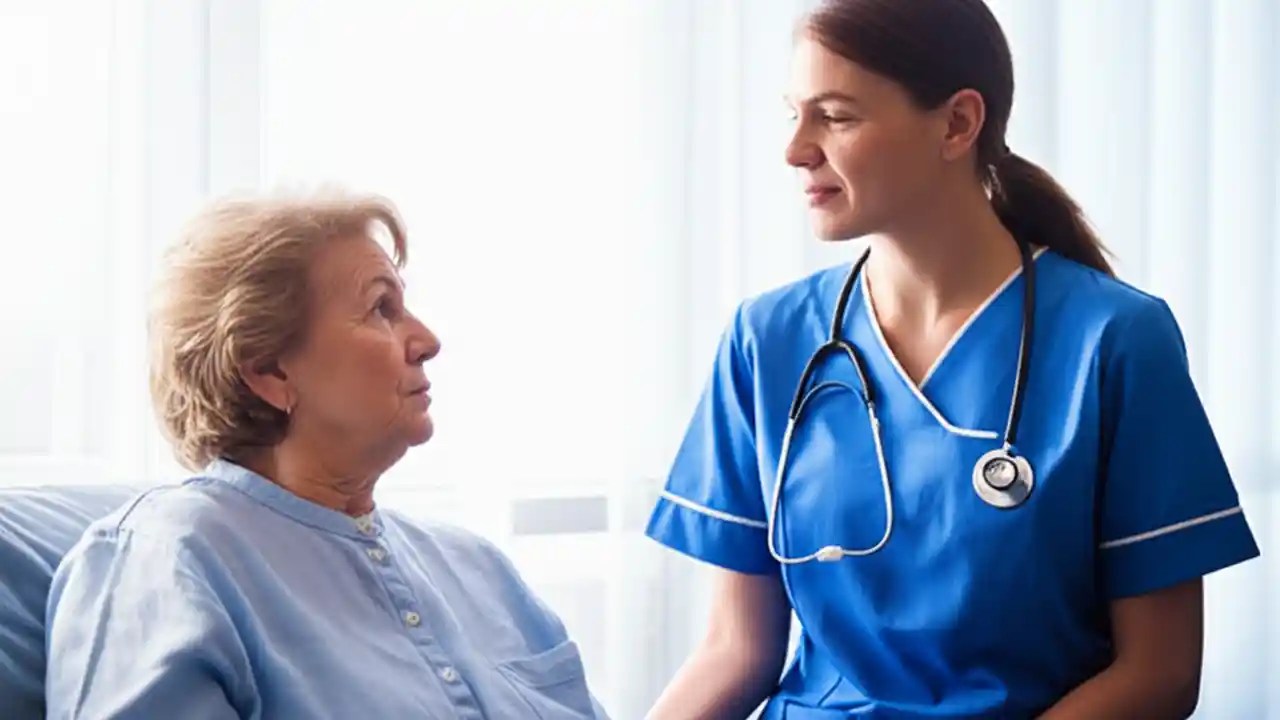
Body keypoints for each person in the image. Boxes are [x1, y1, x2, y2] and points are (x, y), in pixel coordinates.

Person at [643, 1, 1260, 718]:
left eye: (836, 117)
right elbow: (734, 651)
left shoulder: (1115, 340)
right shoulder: (767, 340)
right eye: (794, 114)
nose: (796, 149)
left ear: (958, 123)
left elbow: (1160, 672)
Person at [44, 191, 609, 719]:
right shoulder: (165, 558)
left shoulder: (480, 568)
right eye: (381, 308)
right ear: (269, 369)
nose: (429, 340)